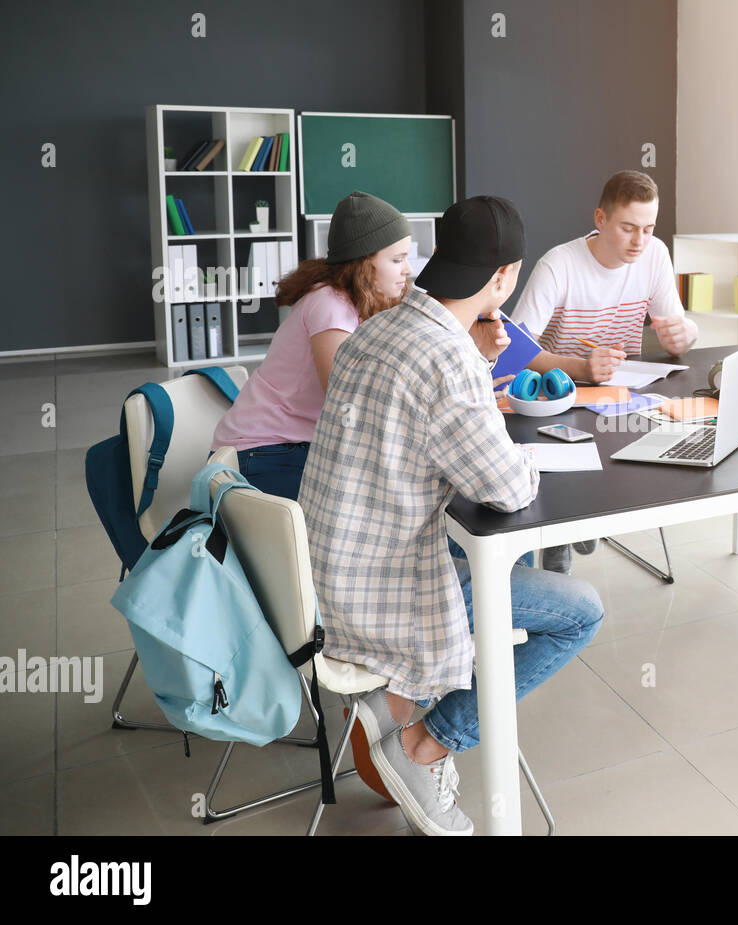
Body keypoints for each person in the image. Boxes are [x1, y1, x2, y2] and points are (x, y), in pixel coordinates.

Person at [297, 196, 603, 836]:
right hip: (380, 596)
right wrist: (488, 383)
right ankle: (427, 741)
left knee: (475, 560)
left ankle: (409, 714)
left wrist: (480, 367)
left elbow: (430, 428)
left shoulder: (377, 326)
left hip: (321, 579)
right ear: (505, 277)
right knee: (581, 612)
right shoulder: (448, 356)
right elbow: (507, 488)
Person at [510, 168, 699, 573]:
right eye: (628, 228)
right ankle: (564, 524)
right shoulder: (559, 264)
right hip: (561, 396)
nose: (640, 242)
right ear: (600, 220)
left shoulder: (655, 255)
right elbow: (514, 351)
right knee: (577, 473)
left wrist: (685, 336)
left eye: (649, 228)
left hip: (621, 398)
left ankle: (580, 516)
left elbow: (676, 332)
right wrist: (580, 366)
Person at [211, 191, 411, 499]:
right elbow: (345, 395)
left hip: (284, 446)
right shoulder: (331, 304)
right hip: (257, 454)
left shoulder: (355, 300)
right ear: (364, 263)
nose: (407, 269)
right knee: (381, 498)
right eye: (397, 260)